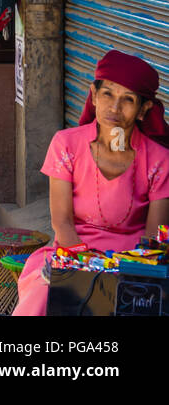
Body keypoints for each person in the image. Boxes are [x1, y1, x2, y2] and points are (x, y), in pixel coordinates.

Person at [13, 49, 169, 316]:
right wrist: (84, 269)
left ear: (144, 110)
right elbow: (62, 221)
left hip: (133, 262)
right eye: (107, 93)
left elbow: (154, 237)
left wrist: (122, 274)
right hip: (72, 253)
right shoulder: (66, 144)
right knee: (42, 300)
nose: (115, 108)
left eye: (128, 99)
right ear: (93, 96)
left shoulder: (159, 159)